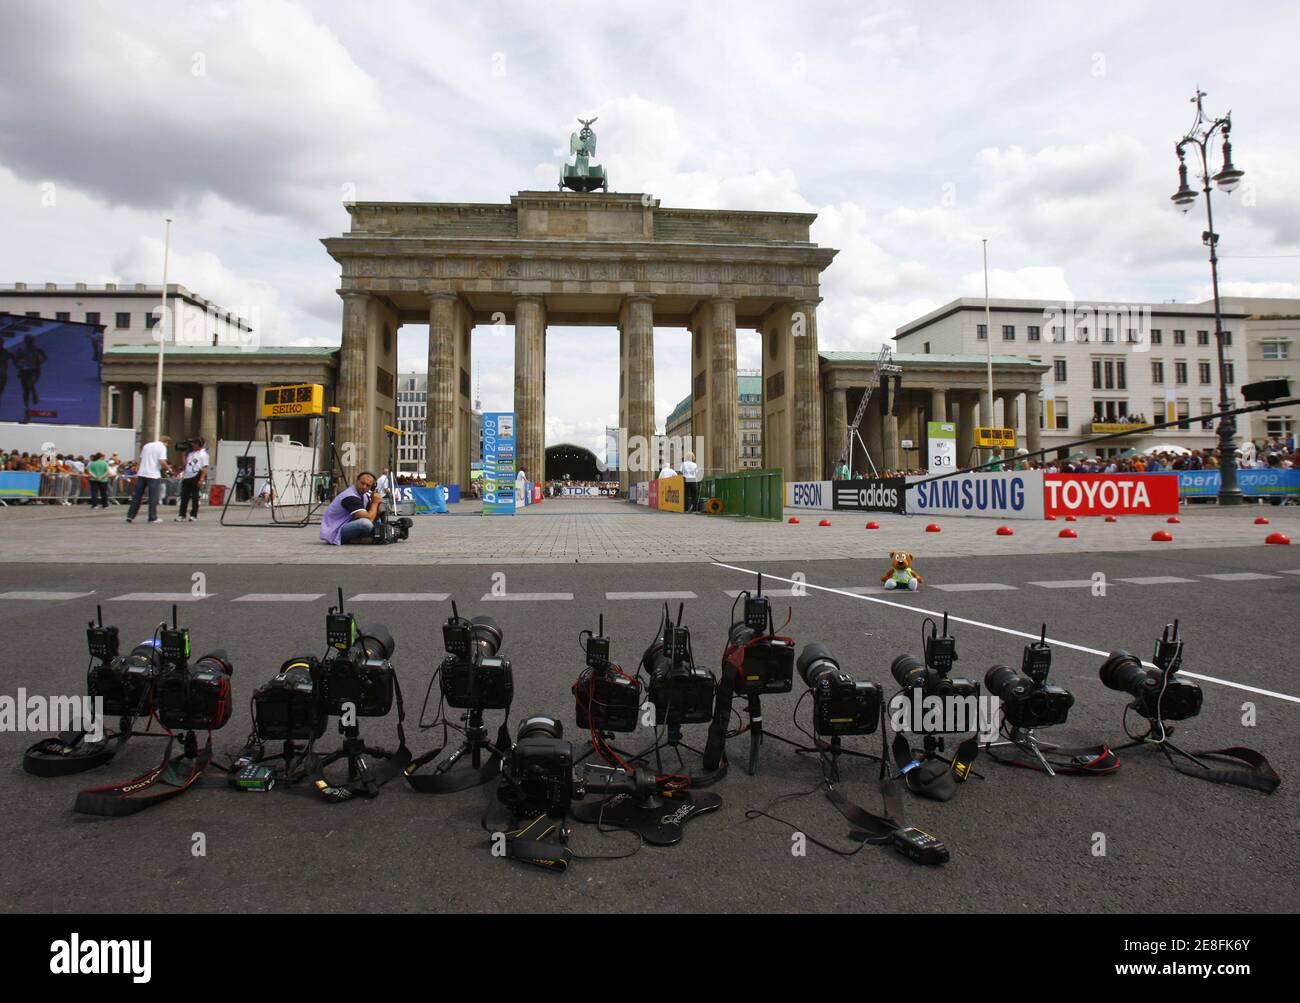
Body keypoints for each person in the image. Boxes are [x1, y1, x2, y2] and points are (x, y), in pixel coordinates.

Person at [320, 471, 384, 545]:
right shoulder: (349, 496)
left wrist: (377, 504)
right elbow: (369, 519)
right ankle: (355, 539)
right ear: (356, 481)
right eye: (362, 483)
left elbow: (373, 515)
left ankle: (358, 539)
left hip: (347, 525)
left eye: (368, 485)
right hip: (335, 531)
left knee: (378, 523)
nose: (364, 487)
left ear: (372, 488)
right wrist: (375, 503)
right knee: (365, 524)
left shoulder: (364, 495)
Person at [126, 434, 172, 523]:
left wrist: (138, 471)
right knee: (153, 497)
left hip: (142, 473)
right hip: (153, 474)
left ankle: (130, 516)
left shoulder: (147, 446)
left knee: (137, 496)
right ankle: (152, 517)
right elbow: (162, 461)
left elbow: (141, 459)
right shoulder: (162, 448)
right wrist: (169, 469)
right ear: (166, 442)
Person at [176, 437, 209, 522]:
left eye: (194, 443)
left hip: (196, 475)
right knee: (184, 497)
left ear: (199, 444)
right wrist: (183, 454)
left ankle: (193, 515)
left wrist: (201, 479)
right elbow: (185, 465)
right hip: (187, 476)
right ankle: (181, 515)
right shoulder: (191, 454)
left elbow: (205, 467)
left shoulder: (203, 454)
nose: (192, 445)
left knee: (195, 497)